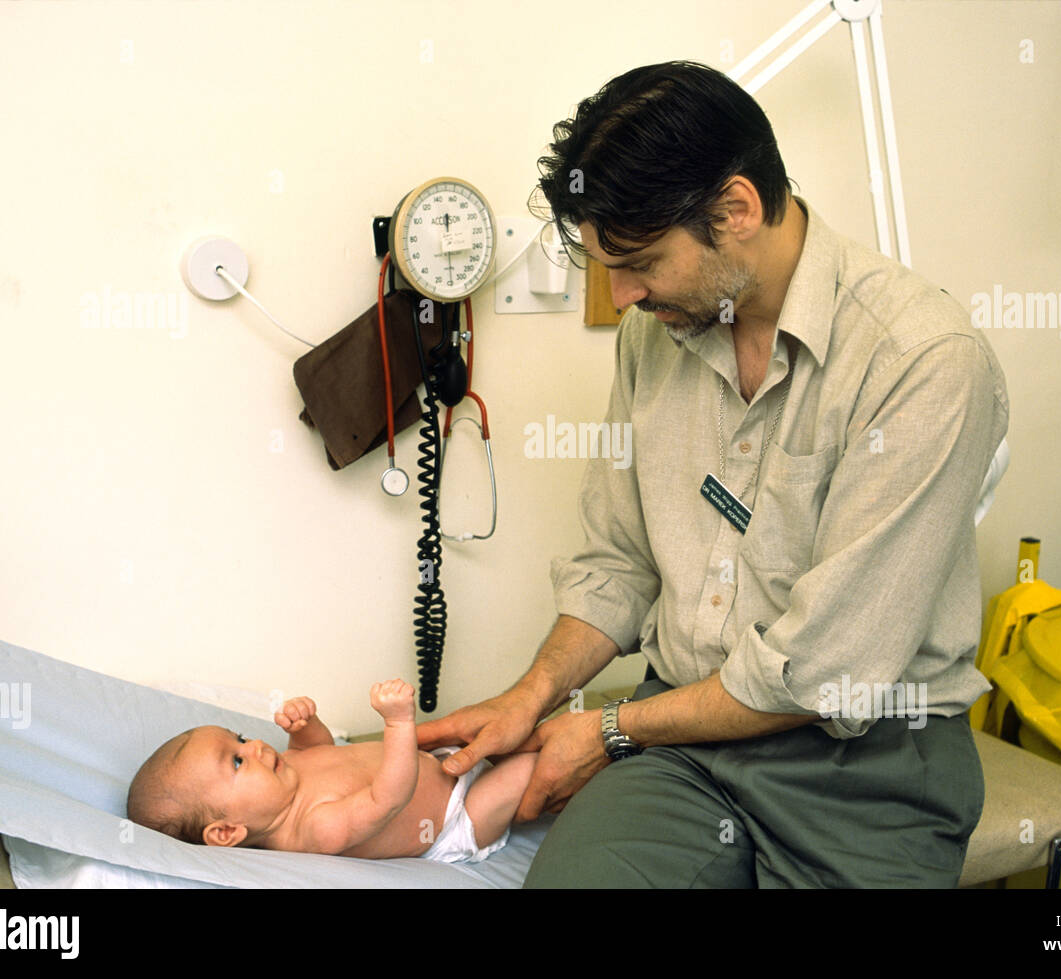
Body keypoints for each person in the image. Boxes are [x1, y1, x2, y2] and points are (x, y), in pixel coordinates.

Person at [416, 60, 1010, 888]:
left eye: (641, 261)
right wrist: (534, 694)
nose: (621, 296)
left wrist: (612, 729)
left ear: (737, 210)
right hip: (686, 745)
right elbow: (618, 564)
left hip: (865, 767)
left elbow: (822, 672)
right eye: (604, 267)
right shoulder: (655, 338)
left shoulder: (923, 361)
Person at [127, 680, 536, 864]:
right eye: (236, 761)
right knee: (530, 765)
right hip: (455, 816)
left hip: (444, 761)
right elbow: (387, 799)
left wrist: (307, 726)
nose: (253, 746)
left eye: (240, 738)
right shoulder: (314, 830)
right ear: (226, 832)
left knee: (521, 732)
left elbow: (322, 750)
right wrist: (397, 725)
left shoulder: (284, 773)